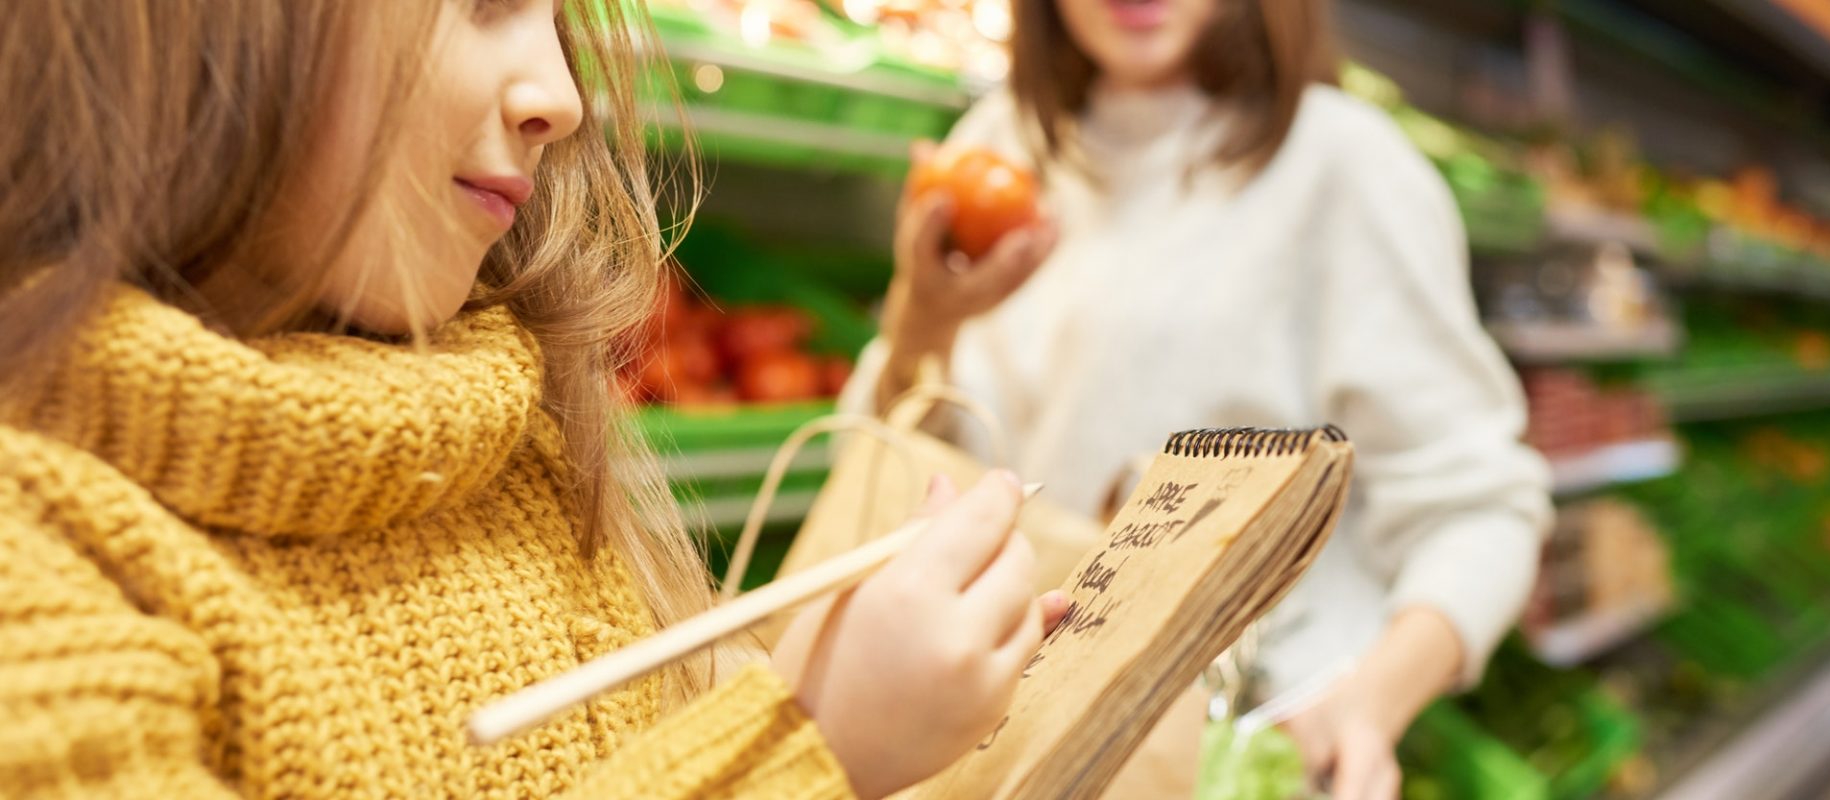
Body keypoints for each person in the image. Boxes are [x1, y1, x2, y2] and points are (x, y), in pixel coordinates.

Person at [0, 1, 1066, 798]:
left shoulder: (509, 435)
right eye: (484, 4)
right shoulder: (39, 572)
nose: (562, 96)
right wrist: (801, 750)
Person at [843, 0, 1554, 797]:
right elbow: (884, 474)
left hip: (1235, 751)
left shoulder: (1344, 162)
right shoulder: (998, 144)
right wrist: (921, 326)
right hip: (1003, 746)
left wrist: (1366, 707)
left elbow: (1482, 503)